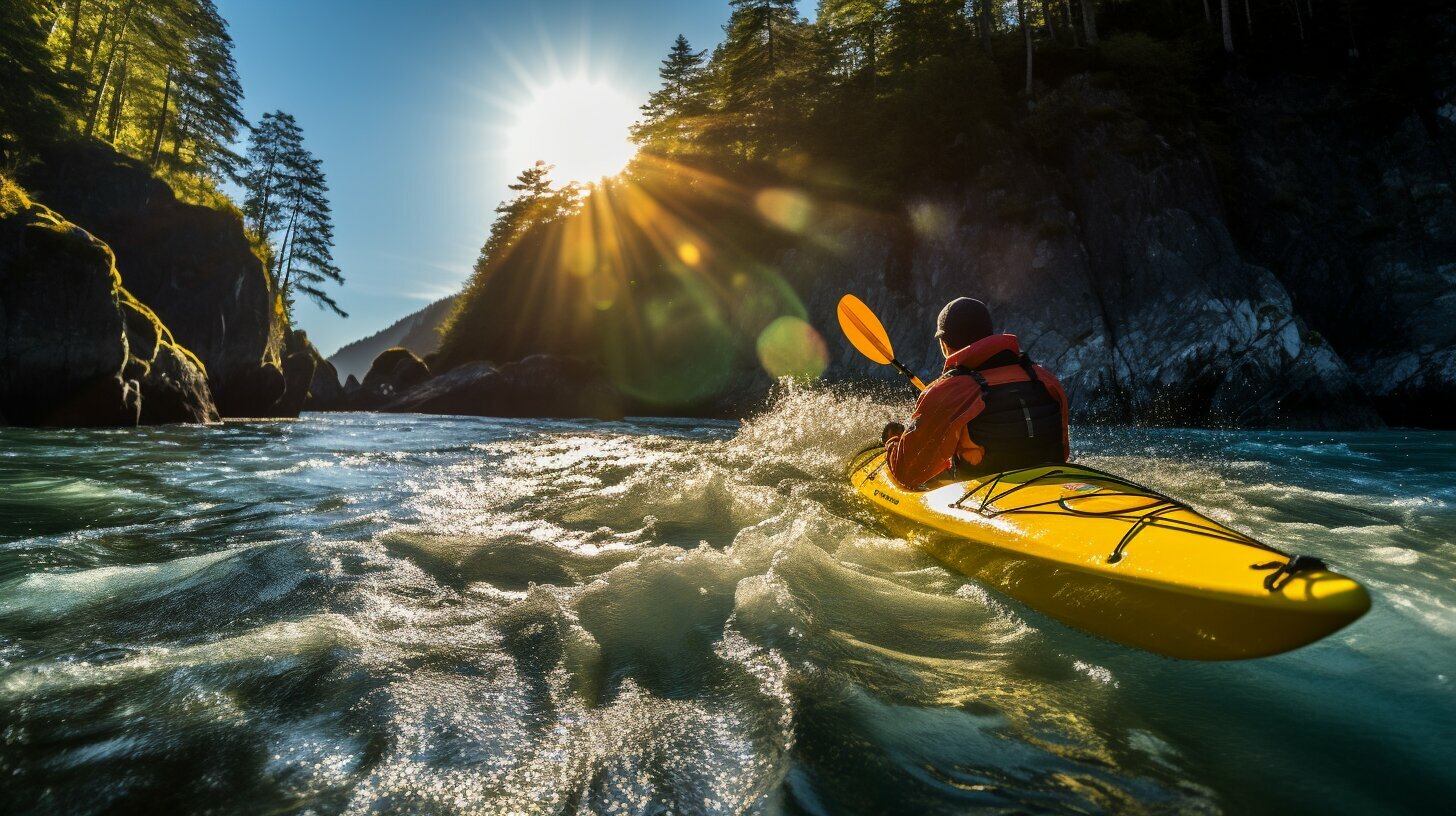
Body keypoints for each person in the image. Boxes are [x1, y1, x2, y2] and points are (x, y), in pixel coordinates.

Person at [881, 297, 1070, 488]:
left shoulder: (947, 392)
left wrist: (893, 440)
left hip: (989, 496)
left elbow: (906, 473)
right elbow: (1063, 453)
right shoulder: (1044, 378)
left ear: (944, 344)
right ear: (988, 334)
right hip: (1051, 486)